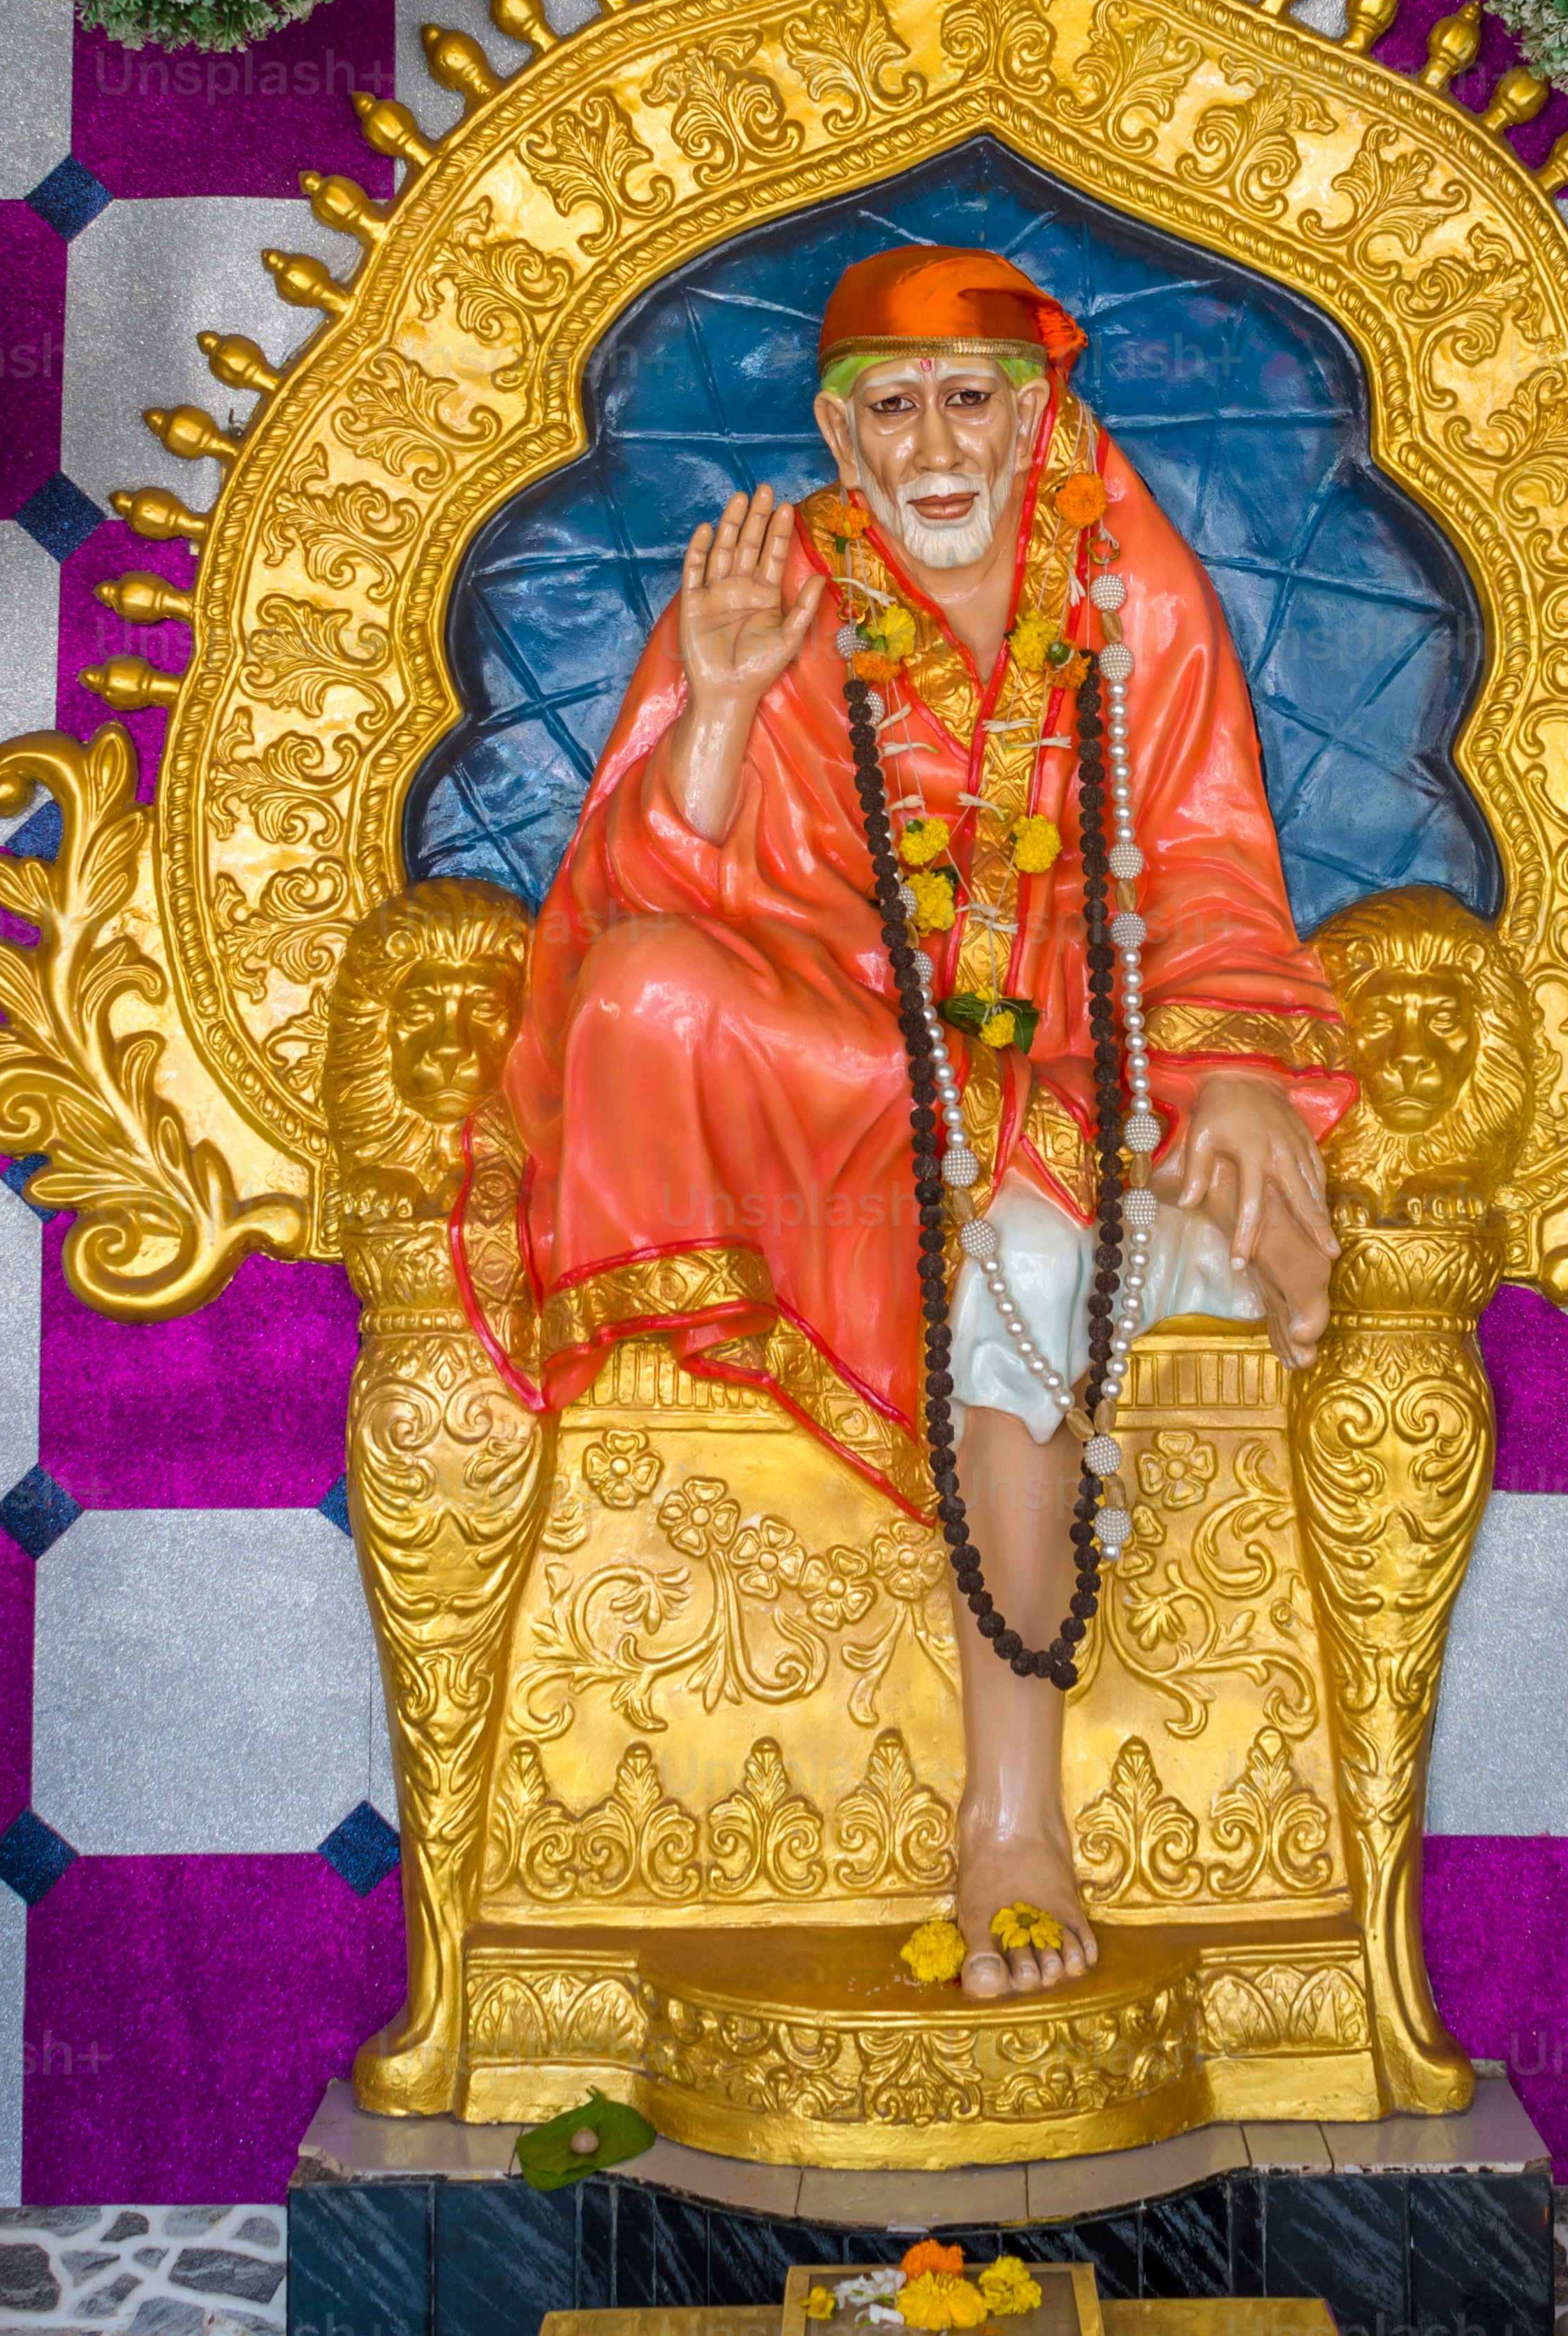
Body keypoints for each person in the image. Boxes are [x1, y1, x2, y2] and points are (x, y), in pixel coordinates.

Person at [506, 244, 1353, 1996]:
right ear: (840, 430)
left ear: (1034, 410)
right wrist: (728, 694)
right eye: (893, 407)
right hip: (851, 1057)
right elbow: (667, 885)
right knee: (642, 991)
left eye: (970, 397)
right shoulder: (786, 577)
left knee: (1032, 1257)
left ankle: (1013, 1827)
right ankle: (948, 1171)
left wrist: (1242, 1070)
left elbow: (1200, 852)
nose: (936, 438)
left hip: (1082, 1079)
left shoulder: (1127, 579)